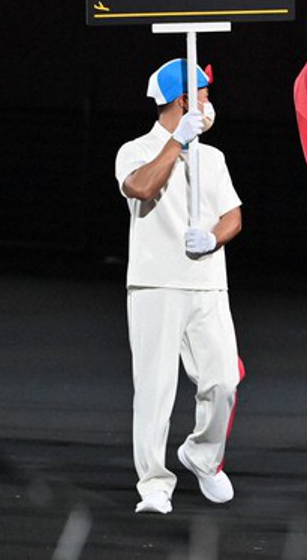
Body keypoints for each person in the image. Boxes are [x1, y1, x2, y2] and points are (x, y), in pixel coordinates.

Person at [115, 58, 244, 514]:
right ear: (184, 101)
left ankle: (202, 455)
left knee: (223, 380)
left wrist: (213, 236)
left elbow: (233, 215)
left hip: (208, 284)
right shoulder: (134, 150)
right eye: (205, 95)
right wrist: (177, 142)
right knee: (154, 387)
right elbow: (142, 189)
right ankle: (153, 482)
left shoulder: (214, 158)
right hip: (155, 283)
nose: (210, 104)